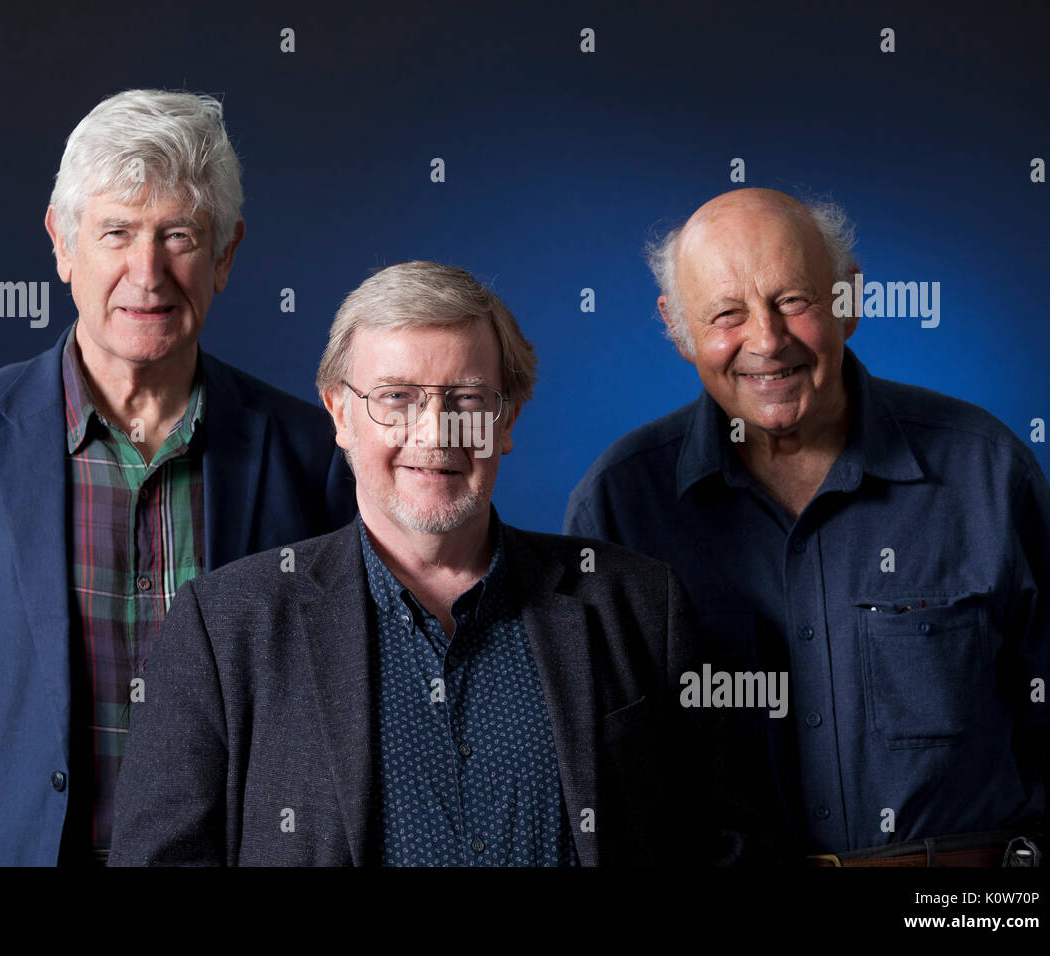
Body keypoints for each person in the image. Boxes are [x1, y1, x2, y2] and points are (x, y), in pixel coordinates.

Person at [0, 89, 356, 866]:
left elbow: (341, 695)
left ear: (225, 254)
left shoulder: (310, 453)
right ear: (63, 243)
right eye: (116, 231)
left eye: (178, 235)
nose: (145, 273)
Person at [109, 261, 736, 866]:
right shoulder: (224, 630)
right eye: (397, 398)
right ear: (340, 414)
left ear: (508, 418)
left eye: (466, 398)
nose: (435, 435)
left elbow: (720, 849)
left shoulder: (640, 606)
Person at [565, 187, 1050, 866]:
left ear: (848, 298)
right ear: (678, 326)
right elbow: (593, 778)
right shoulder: (619, 504)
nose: (766, 339)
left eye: (793, 300)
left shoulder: (985, 469)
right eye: (726, 313)